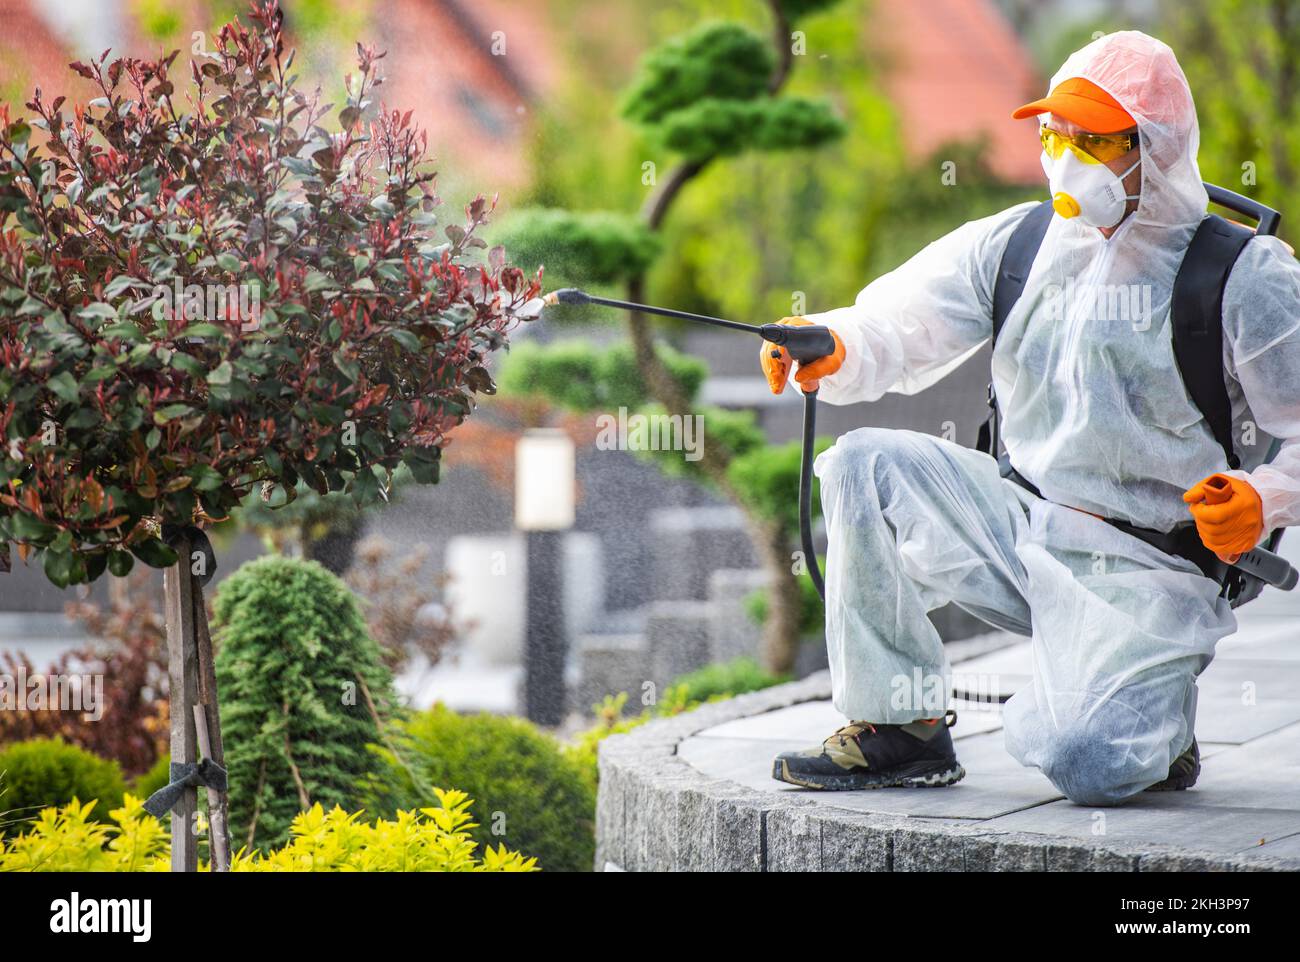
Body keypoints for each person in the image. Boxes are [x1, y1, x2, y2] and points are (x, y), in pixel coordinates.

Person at [759, 31, 1300, 805]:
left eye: (1096, 138)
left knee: (1086, 763)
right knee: (861, 464)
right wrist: (832, 343)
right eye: (1056, 133)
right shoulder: (1022, 241)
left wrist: (1264, 501)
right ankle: (900, 729)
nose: (1066, 155)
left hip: (1148, 566)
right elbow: (904, 322)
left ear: (1158, 147)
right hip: (1017, 524)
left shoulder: (1241, 275)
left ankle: (1155, 727)